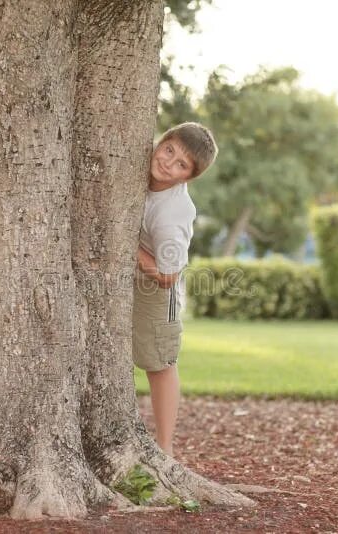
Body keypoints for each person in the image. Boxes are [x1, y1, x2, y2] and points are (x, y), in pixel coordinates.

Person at [133, 122, 218, 456]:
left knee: (159, 363)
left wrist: (131, 247)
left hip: (157, 286)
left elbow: (168, 274)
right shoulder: (135, 169)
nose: (168, 162)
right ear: (161, 141)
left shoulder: (174, 212)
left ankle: (165, 450)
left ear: (188, 177)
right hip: (127, 274)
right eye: (168, 149)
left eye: (181, 164)